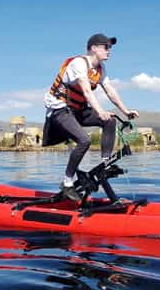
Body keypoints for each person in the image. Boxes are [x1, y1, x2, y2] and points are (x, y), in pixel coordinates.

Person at [42, 33, 140, 201]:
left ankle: (105, 162)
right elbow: (86, 90)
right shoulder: (79, 63)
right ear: (94, 48)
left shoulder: (101, 69)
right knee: (84, 141)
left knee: (110, 121)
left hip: (78, 110)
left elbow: (110, 91)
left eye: (110, 47)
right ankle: (67, 183)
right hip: (60, 109)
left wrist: (126, 111)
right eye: (106, 47)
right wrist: (100, 110)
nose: (109, 51)